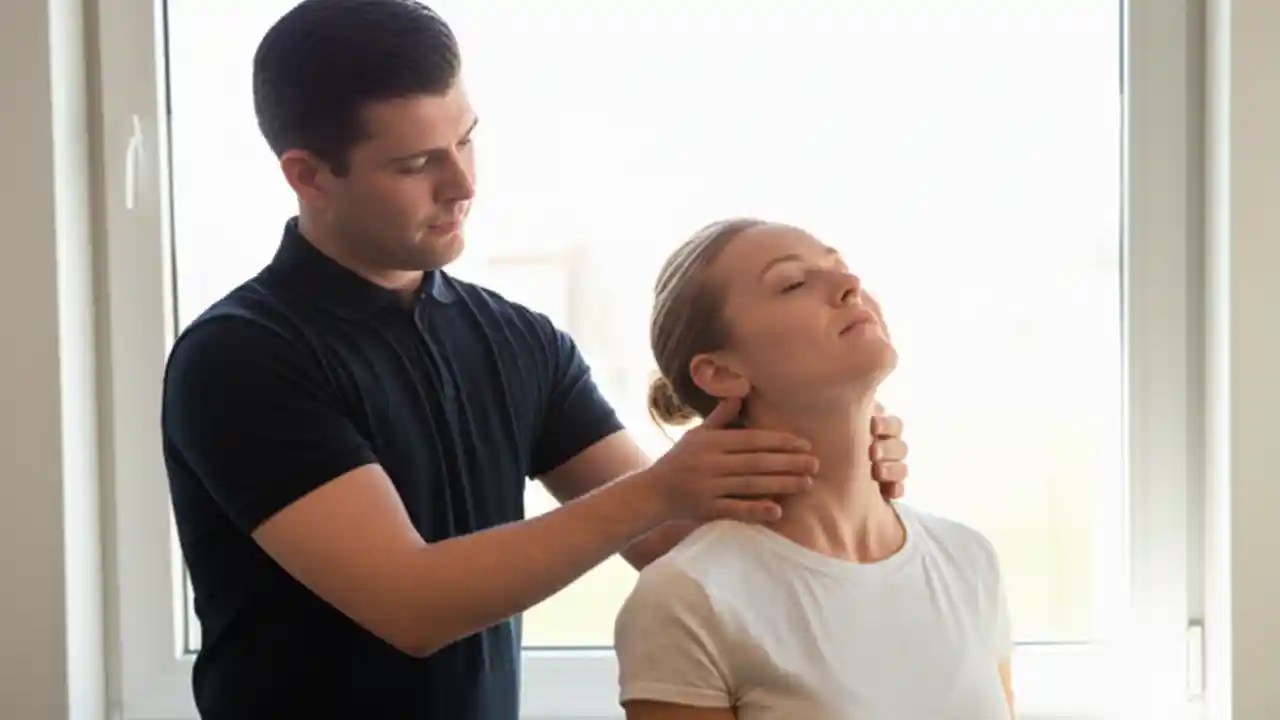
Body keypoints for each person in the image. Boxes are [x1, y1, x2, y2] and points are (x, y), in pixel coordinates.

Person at [159, 2, 910, 719]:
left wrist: (838, 467)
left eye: (466, 140)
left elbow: (670, 538)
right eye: (417, 163)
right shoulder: (238, 360)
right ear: (309, 175)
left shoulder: (518, 341)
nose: (462, 185)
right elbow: (411, 604)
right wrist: (663, 488)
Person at [614, 218, 1015, 720]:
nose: (849, 286)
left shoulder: (969, 563)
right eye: (794, 283)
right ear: (721, 371)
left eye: (842, 268)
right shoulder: (688, 598)